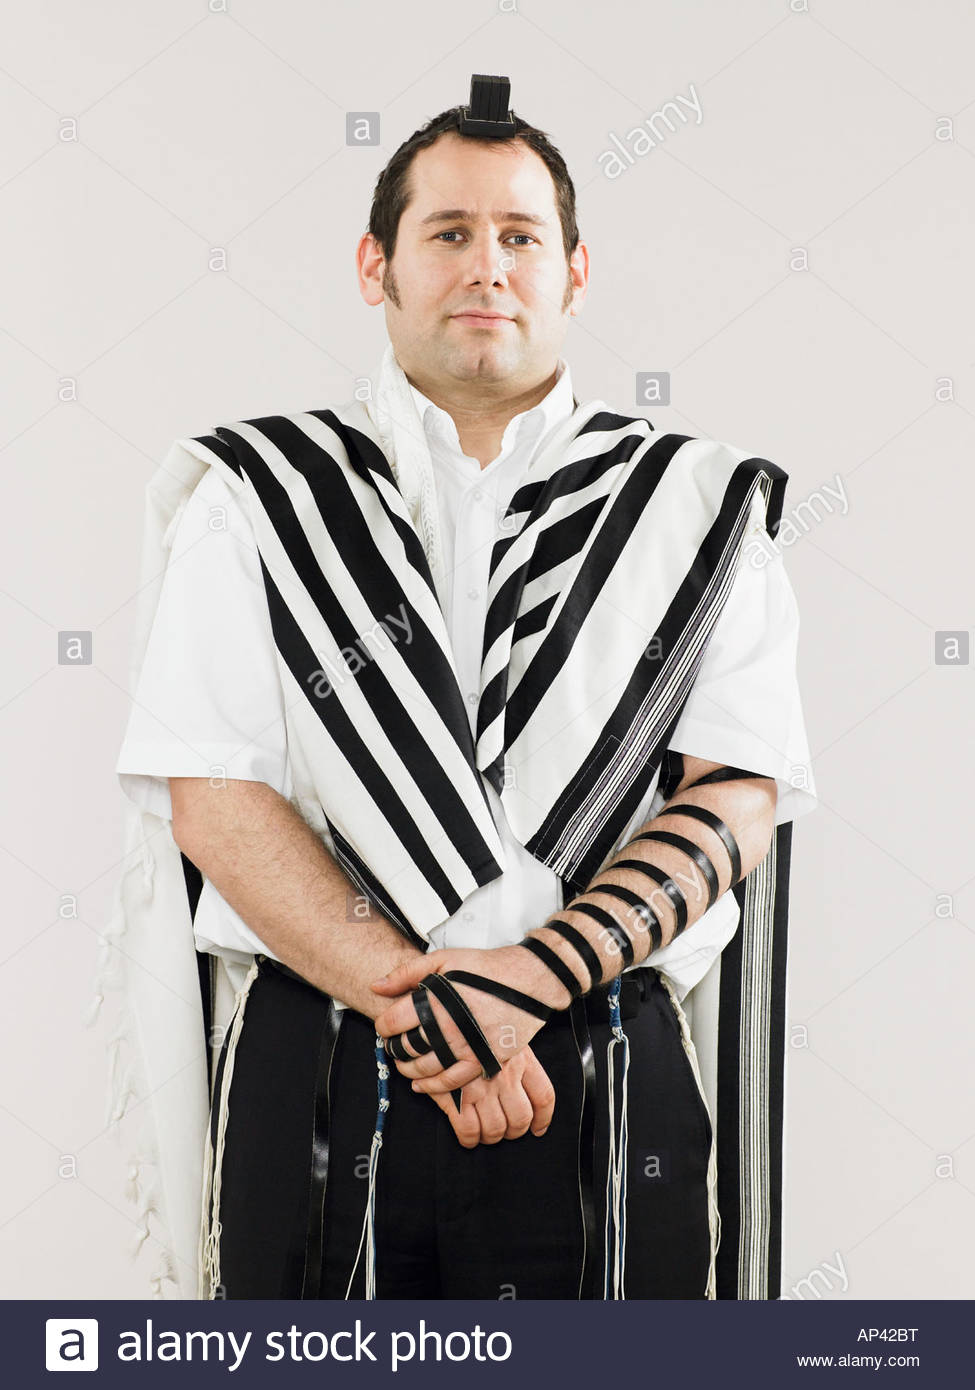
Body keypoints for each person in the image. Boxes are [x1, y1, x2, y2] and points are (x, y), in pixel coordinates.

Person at [104, 79, 817, 1302]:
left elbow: (737, 796)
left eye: (521, 237)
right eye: (448, 233)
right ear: (376, 264)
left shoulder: (701, 508)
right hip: (323, 1058)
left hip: (600, 1070)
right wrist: (433, 1008)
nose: (487, 264)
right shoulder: (257, 496)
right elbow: (213, 800)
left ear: (575, 273)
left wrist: (522, 983)